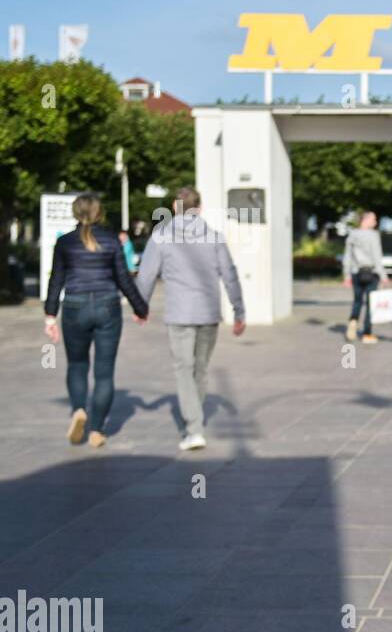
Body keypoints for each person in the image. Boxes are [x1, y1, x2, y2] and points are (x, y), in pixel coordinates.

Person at [136, 187, 245, 451]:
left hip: (180, 312)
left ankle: (194, 428)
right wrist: (238, 310)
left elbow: (146, 275)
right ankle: (195, 422)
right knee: (200, 368)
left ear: (175, 207)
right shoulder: (214, 237)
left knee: (183, 368)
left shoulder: (161, 236)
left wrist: (141, 306)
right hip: (208, 313)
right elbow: (229, 274)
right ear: (200, 208)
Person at [43, 193, 149, 448]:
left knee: (77, 365)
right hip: (107, 307)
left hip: (75, 307)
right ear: (100, 212)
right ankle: (97, 430)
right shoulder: (112, 241)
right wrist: (140, 308)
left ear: (75, 212)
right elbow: (124, 279)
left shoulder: (65, 243)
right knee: (104, 372)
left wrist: (50, 315)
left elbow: (56, 280)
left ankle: (79, 409)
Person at [343, 211, 390, 345]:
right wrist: (383, 276)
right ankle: (367, 333)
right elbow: (377, 257)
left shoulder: (352, 234)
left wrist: (346, 275)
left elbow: (347, 257)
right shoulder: (373, 235)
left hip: (356, 272)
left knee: (357, 301)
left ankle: (352, 323)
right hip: (371, 273)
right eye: (373, 219)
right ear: (366, 220)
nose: (375, 223)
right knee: (371, 303)